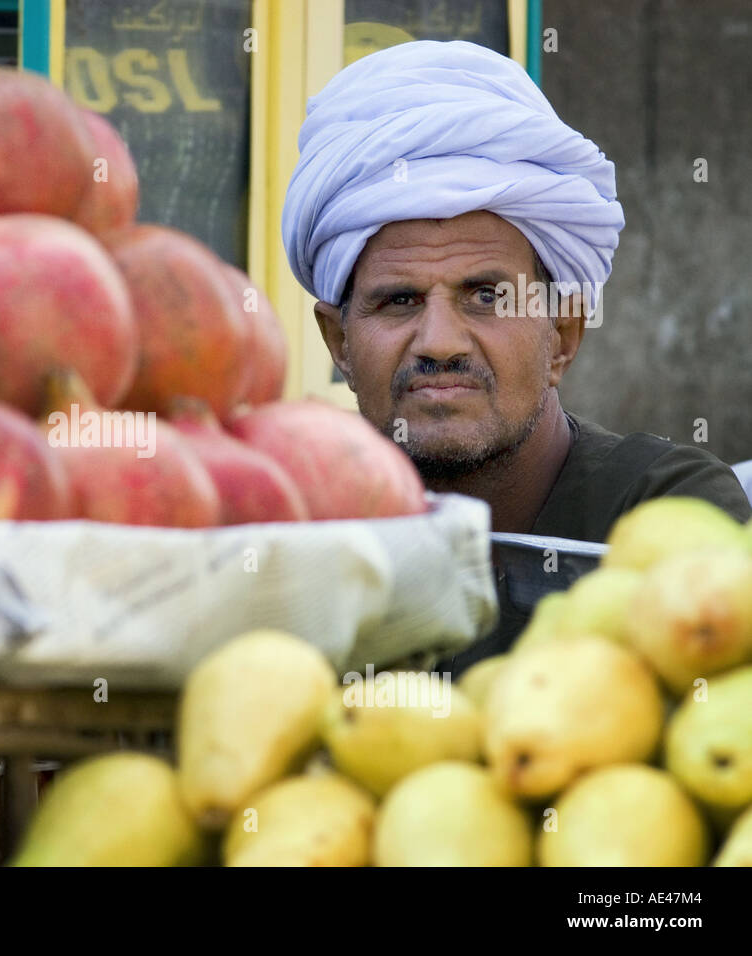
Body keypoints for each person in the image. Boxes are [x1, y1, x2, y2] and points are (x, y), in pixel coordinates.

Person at [281, 40, 750, 663]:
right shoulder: (289, 521)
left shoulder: (665, 507)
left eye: (486, 297)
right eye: (399, 301)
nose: (440, 343)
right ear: (339, 341)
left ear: (561, 335)